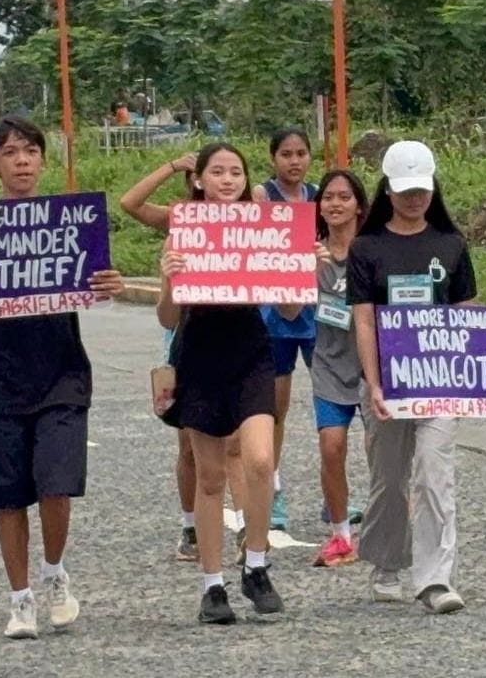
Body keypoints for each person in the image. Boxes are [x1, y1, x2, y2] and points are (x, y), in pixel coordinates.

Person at [0, 115, 124, 640]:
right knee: (9, 496)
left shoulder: (72, 222)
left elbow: (95, 283)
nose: (21, 160)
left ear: (42, 160)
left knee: (57, 485)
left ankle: (54, 573)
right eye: (9, 152)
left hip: (62, 374)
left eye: (29, 151)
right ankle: (20, 600)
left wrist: (108, 282)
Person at [349, 141, 486, 615]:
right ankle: (386, 562)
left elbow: (468, 318)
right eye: (405, 191)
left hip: (439, 381)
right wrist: (374, 382)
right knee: (389, 477)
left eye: (421, 189)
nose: (414, 199)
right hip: (388, 384)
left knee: (434, 473)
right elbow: (363, 320)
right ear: (387, 189)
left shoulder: (451, 245)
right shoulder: (367, 248)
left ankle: (435, 578)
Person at [159, 143, 286, 625]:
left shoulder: (265, 232)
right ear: (200, 180)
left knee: (259, 457)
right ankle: (212, 585)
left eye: (236, 172)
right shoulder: (181, 234)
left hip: (251, 350)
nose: (228, 180)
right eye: (218, 171)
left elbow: (292, 310)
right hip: (200, 353)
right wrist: (170, 280)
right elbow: (169, 317)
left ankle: (256, 563)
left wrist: (303, 271)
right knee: (210, 476)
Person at [119, 150, 204, 564]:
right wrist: (172, 166)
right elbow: (129, 204)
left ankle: (247, 524)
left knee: (239, 443)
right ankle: (191, 524)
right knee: (188, 441)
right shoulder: (179, 219)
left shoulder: (249, 218)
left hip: (233, 337)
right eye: (202, 176)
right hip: (182, 336)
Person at [251, 128, 319, 531]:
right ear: (273, 158)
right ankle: (271, 489)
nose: (294, 161)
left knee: (336, 403)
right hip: (274, 315)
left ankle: (336, 498)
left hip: (315, 312)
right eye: (286, 154)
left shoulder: (319, 196)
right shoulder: (263, 196)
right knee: (276, 408)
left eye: (301, 153)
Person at [309, 169, 370, 569]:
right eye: (328, 197)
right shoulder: (307, 254)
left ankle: (388, 530)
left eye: (344, 197)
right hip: (329, 365)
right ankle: (340, 535)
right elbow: (289, 309)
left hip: (373, 367)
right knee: (332, 448)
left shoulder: (374, 252)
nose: (334, 203)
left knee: (384, 455)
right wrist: (303, 273)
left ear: (359, 206)